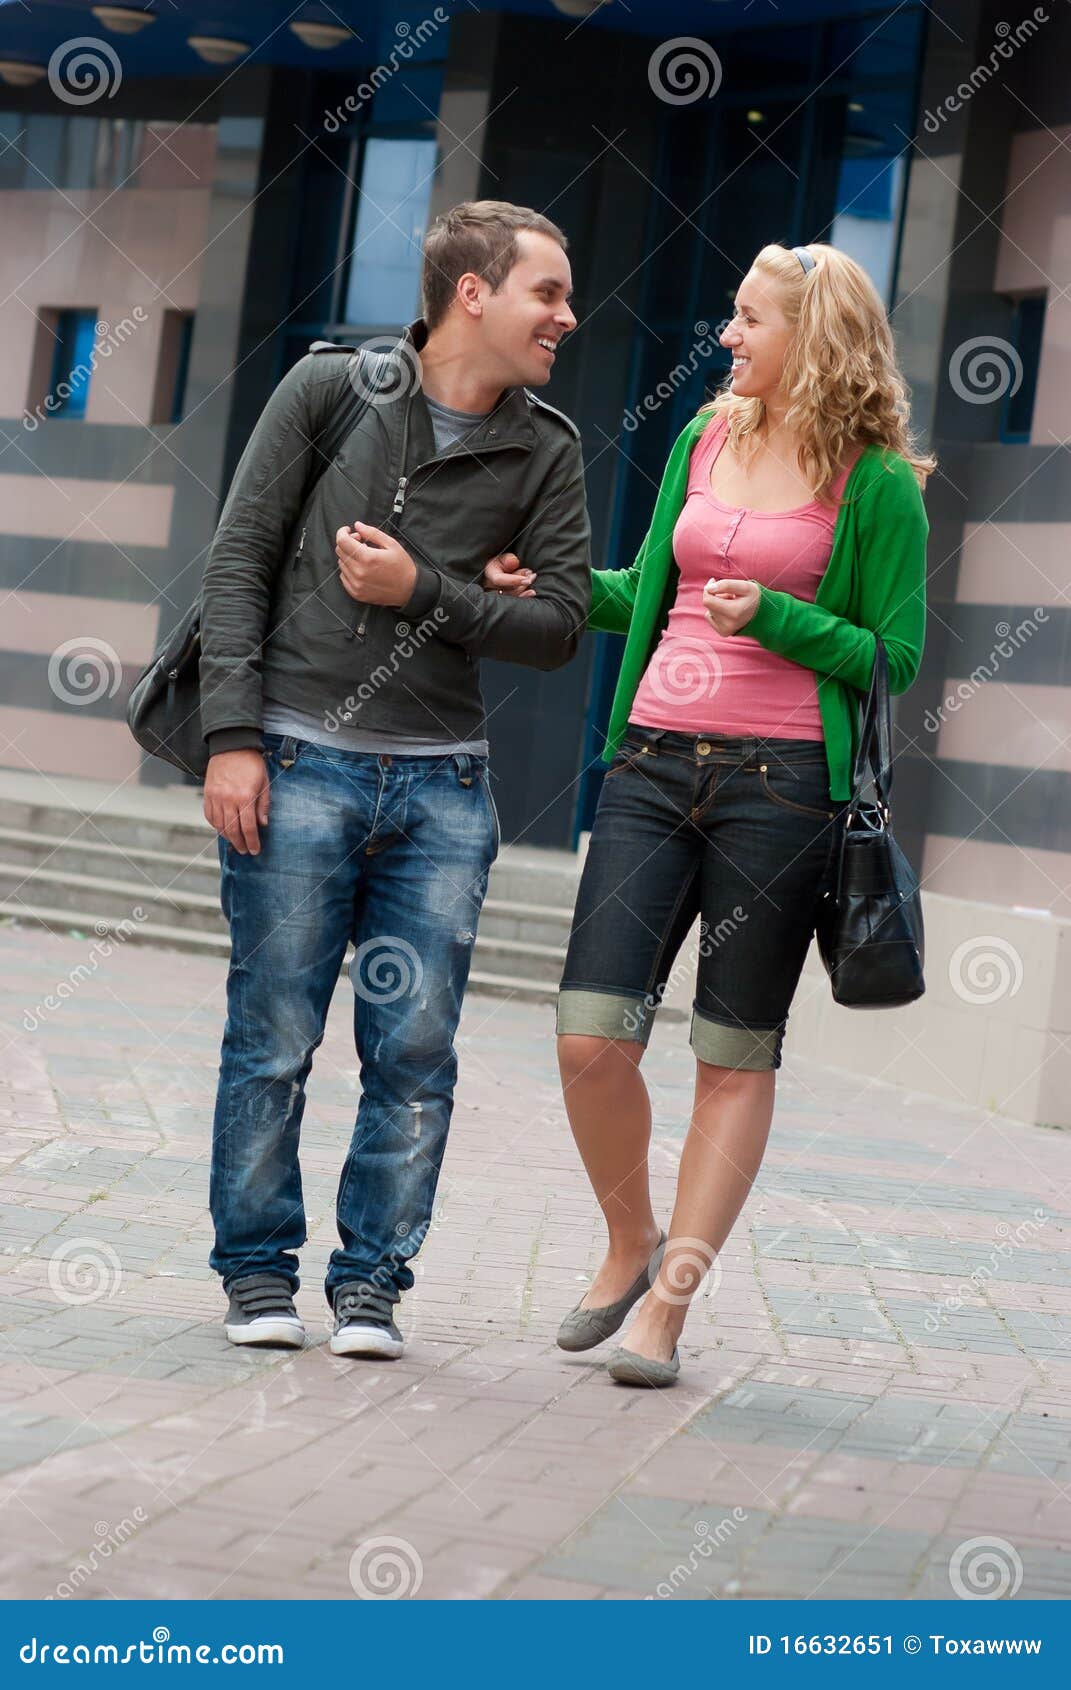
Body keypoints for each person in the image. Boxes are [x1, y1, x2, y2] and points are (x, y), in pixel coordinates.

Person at [489, 241, 932, 1386]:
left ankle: (667, 1309)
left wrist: (778, 622)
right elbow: (649, 590)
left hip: (785, 789)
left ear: (813, 337)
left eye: (748, 319)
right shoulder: (704, 436)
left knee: (733, 1054)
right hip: (648, 765)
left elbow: (898, 656)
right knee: (591, 1031)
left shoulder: (876, 481)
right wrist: (550, 588)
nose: (726, 337)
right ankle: (629, 1239)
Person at [200, 200, 590, 1358]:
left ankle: (371, 1284)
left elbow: (562, 623)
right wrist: (231, 736)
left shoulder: (547, 446)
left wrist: (430, 590)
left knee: (415, 1048)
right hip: (298, 758)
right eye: (549, 293)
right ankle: (258, 1275)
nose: (567, 317)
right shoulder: (331, 391)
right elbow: (239, 558)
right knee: (271, 1034)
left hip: (445, 793)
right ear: (473, 292)